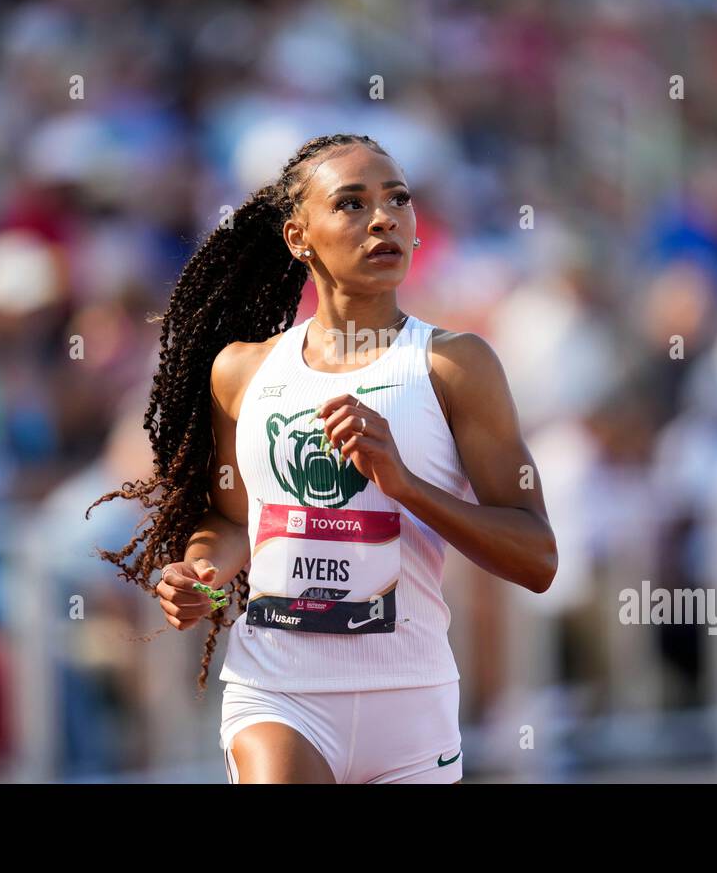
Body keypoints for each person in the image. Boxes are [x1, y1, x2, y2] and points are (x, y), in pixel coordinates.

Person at [89, 133, 557, 783]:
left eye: (398, 199)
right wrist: (199, 575)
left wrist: (407, 486)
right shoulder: (243, 371)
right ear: (298, 236)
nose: (384, 218)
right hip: (278, 692)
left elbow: (537, 558)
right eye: (352, 203)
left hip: (411, 706)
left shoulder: (454, 366)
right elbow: (232, 523)